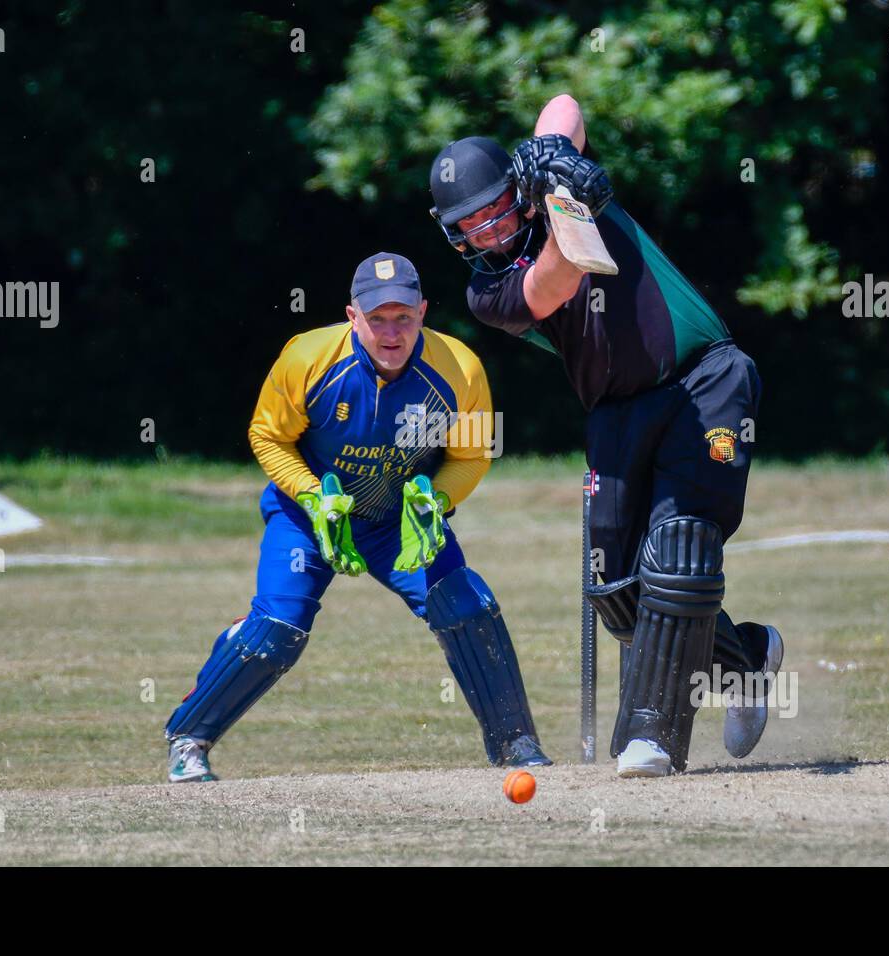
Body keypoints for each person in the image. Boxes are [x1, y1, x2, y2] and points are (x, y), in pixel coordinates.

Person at [428, 94, 785, 778]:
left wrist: (558, 156)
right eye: (468, 227)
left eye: (493, 212)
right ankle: (746, 659)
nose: (486, 233)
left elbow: (563, 104)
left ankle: (651, 739)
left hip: (702, 380)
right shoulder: (488, 292)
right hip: (614, 413)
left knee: (679, 544)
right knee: (619, 596)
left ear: (516, 194)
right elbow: (558, 279)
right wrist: (573, 208)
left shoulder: (556, 182)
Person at [163, 252, 551, 781]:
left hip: (400, 521)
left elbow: (472, 454)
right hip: (309, 514)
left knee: (467, 604)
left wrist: (435, 501)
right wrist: (310, 495)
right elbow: (268, 436)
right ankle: (190, 738)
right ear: (352, 315)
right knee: (279, 626)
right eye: (376, 319)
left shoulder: (460, 368)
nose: (391, 333)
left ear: (424, 312)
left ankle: (516, 743)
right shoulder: (307, 357)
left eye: (404, 318)